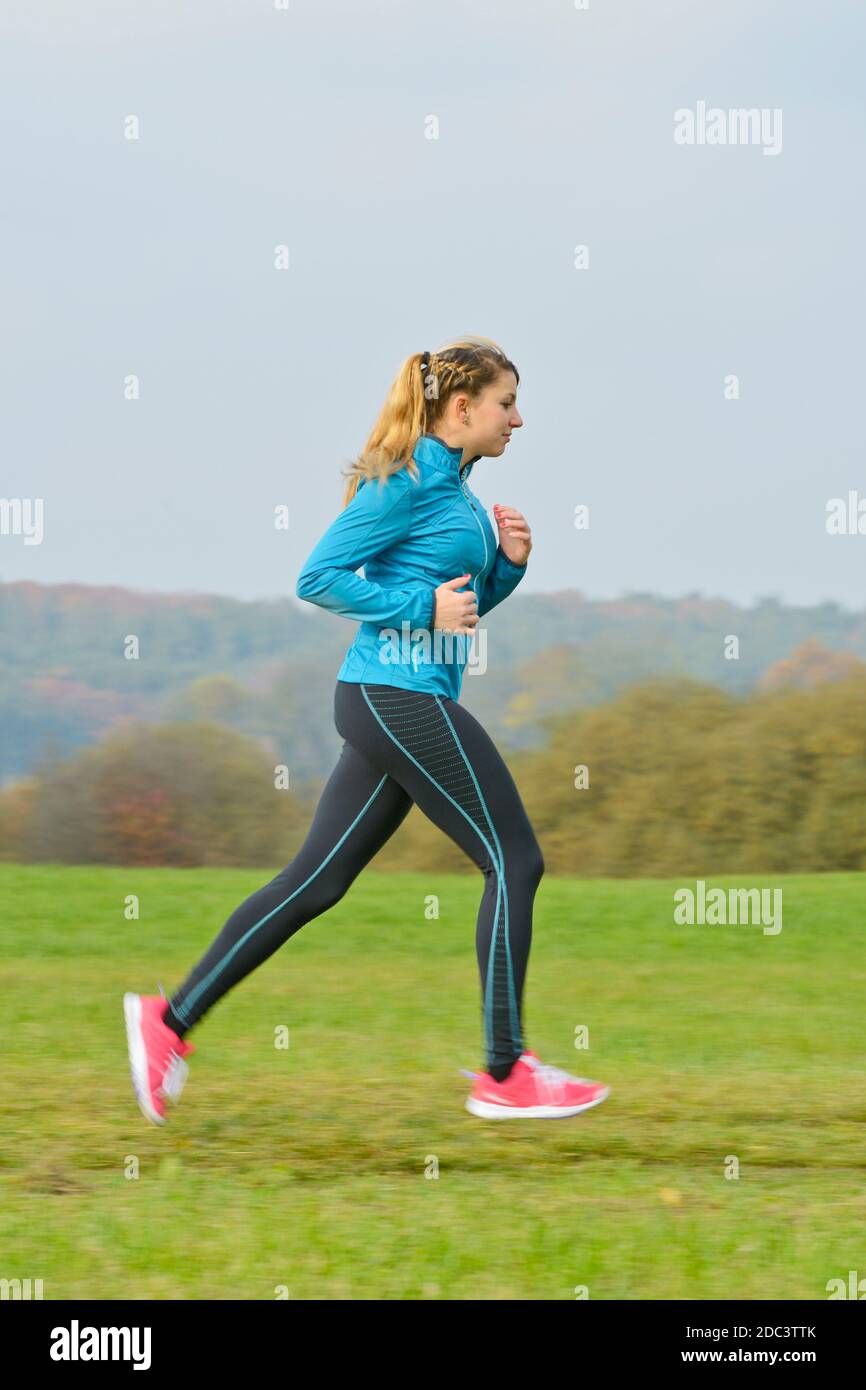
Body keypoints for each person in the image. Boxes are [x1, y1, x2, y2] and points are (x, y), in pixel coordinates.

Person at [124, 335, 610, 1123]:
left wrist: (508, 566)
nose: (518, 419)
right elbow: (317, 577)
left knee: (316, 882)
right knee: (514, 860)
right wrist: (423, 610)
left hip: (399, 694)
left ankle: (167, 1021)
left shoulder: (459, 496)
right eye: (506, 402)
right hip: (394, 694)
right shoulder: (409, 477)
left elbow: (460, 609)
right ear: (462, 408)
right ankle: (504, 1070)